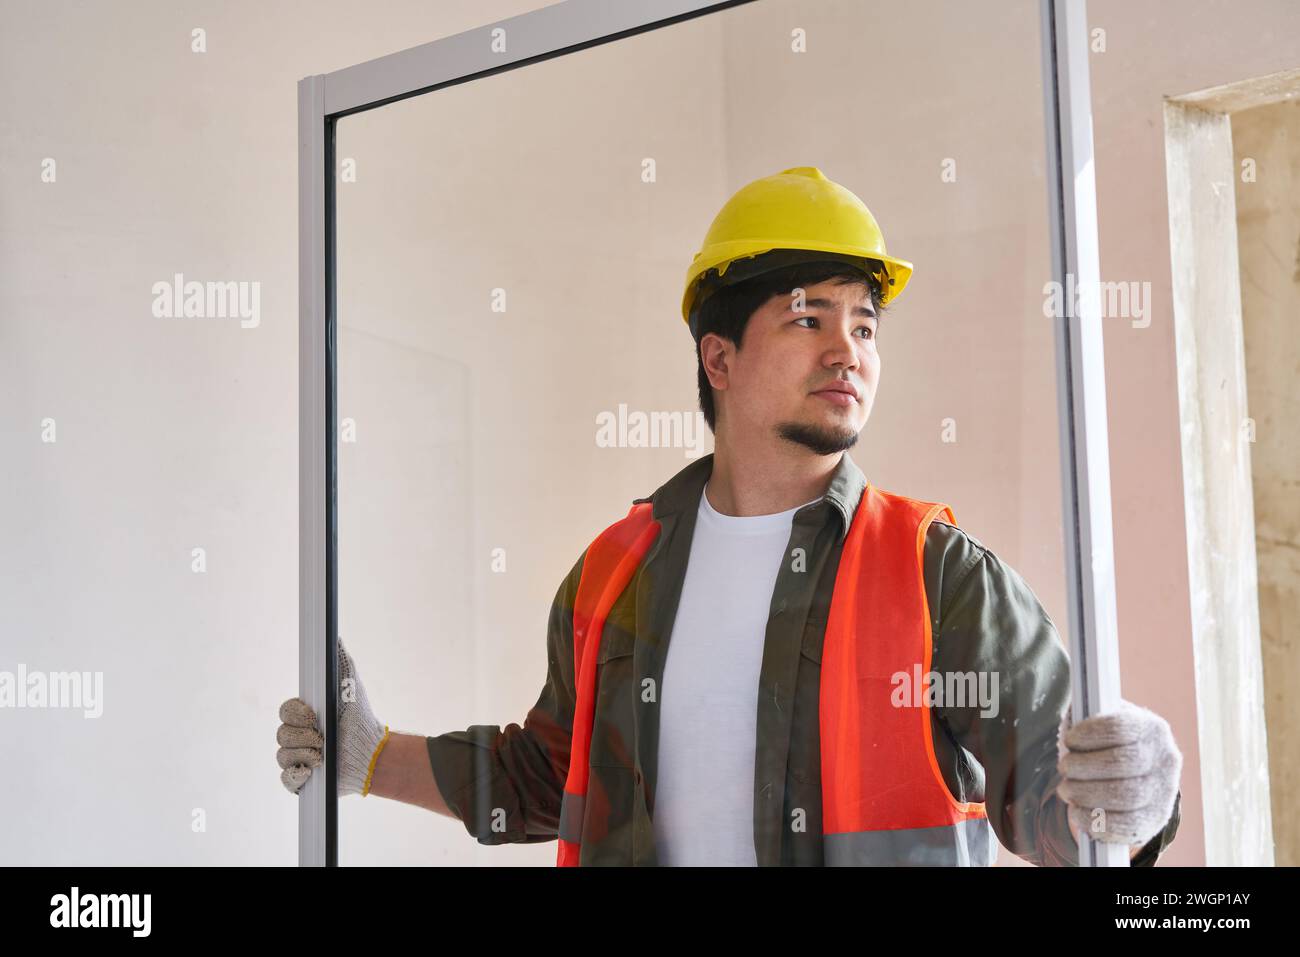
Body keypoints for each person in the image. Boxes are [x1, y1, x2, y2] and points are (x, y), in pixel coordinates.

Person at [277, 167, 1182, 866]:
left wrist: (1135, 801)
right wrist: (369, 757)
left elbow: (1057, 800)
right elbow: (553, 775)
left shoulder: (936, 571)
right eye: (808, 318)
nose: (848, 348)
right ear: (719, 356)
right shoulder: (615, 572)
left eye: (865, 325)